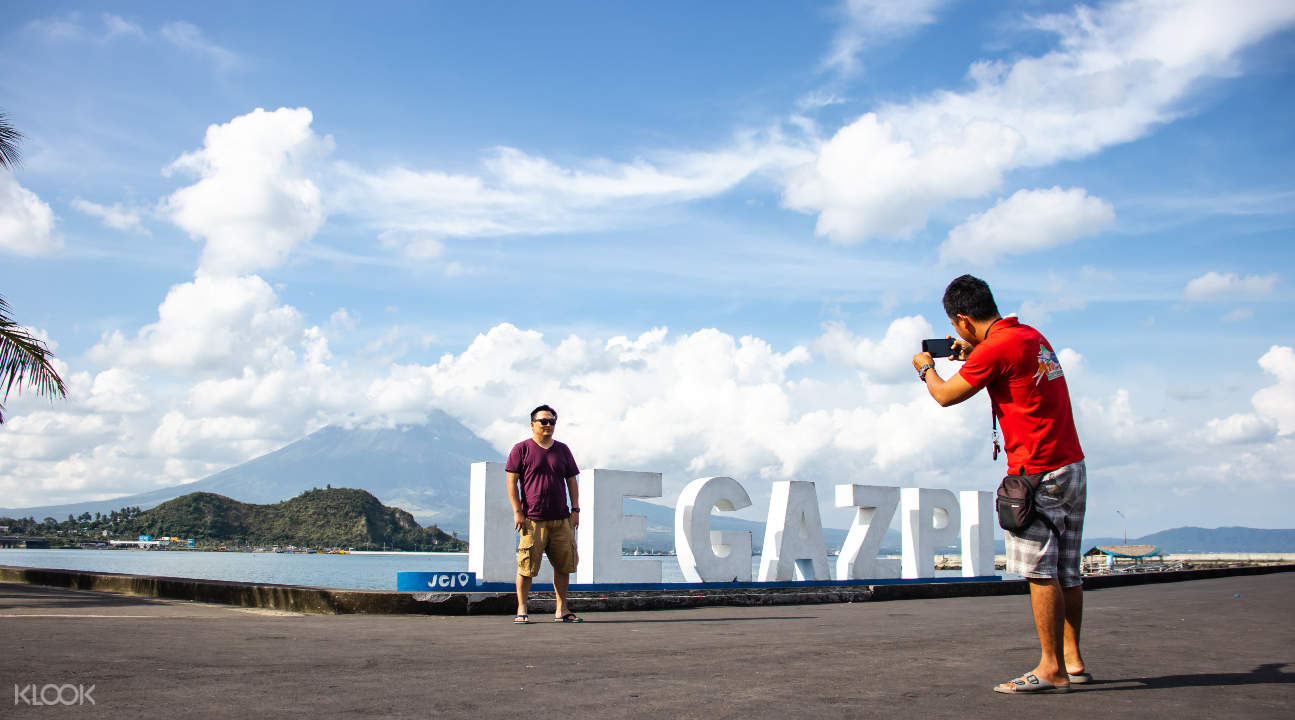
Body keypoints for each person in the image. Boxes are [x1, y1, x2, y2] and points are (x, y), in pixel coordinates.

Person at [912, 275, 1088, 695]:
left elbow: (945, 395)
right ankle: (1073, 659)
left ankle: (1051, 669)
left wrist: (926, 369)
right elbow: (1012, 371)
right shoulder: (1030, 335)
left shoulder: (996, 349)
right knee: (1067, 570)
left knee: (1038, 572)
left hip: (1035, 472)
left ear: (962, 319)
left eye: (957, 328)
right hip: (1070, 465)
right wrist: (976, 352)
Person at [506, 404, 582, 624]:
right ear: (532, 425)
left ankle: (562, 609)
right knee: (527, 566)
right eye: (544, 421)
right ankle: (521, 608)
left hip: (561, 519)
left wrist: (575, 509)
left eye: (552, 421)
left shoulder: (563, 450)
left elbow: (571, 481)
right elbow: (511, 481)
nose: (548, 425)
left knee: (564, 565)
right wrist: (517, 512)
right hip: (532, 519)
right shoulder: (521, 449)